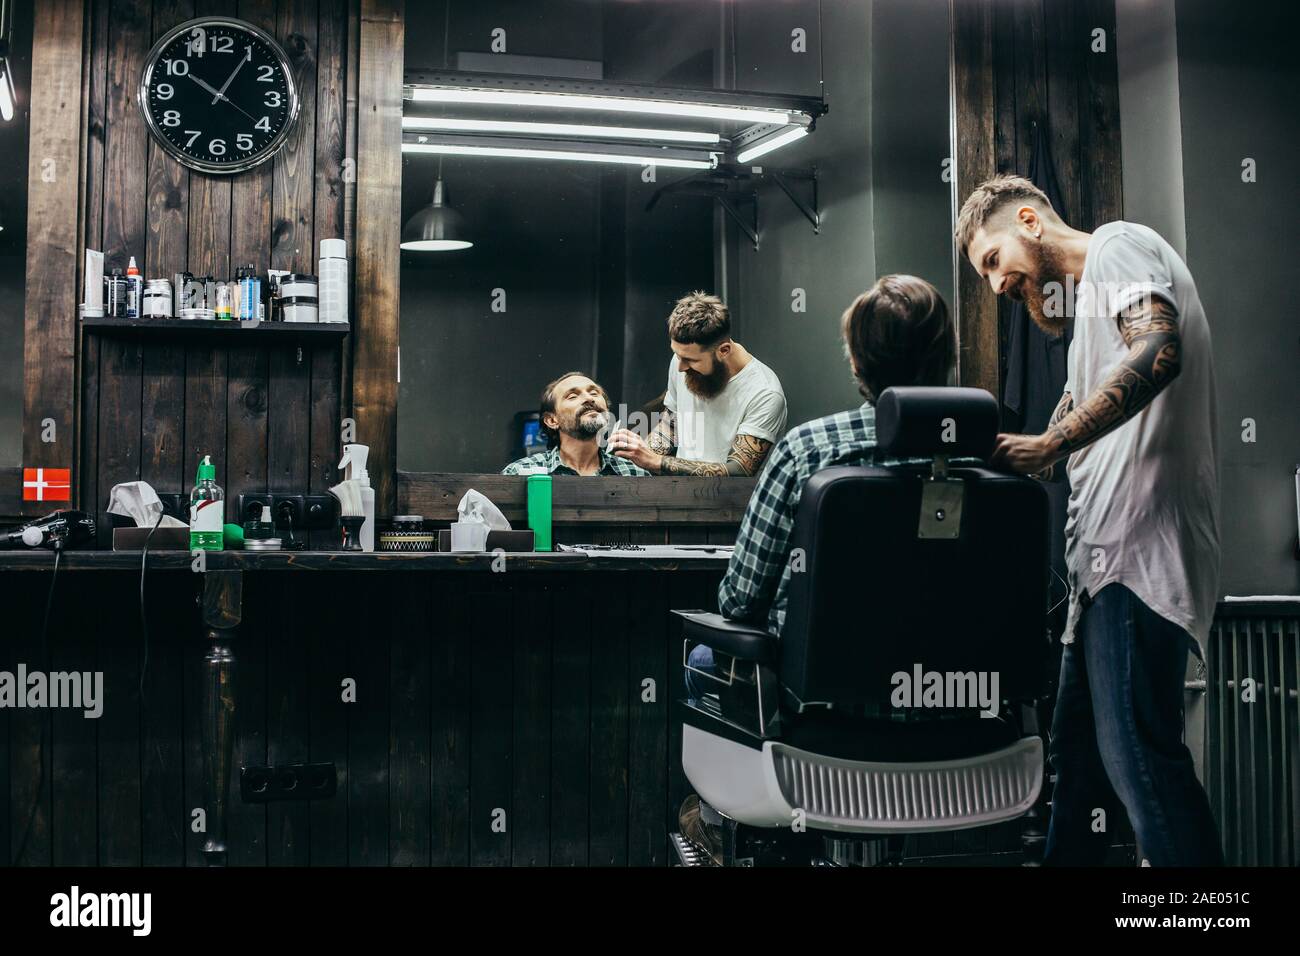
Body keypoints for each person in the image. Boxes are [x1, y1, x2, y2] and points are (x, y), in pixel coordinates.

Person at [955, 174, 1222, 866]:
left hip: (1136, 561)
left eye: (993, 260)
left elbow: (1159, 349)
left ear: (1029, 221)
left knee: (1144, 766)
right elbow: (1089, 402)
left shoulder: (1117, 249)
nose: (996, 286)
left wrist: (1053, 444)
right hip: (1099, 576)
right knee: (1076, 776)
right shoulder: (1088, 320)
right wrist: (1041, 449)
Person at [678, 275, 955, 862]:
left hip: (821, 725)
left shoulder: (809, 451)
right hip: (960, 727)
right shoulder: (992, 453)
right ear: (948, 353)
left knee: (707, 655)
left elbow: (740, 600)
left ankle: (722, 827)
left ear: (857, 361)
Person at [609, 292, 786, 476]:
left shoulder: (765, 393)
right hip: (685, 494)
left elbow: (739, 471)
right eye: (677, 355)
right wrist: (639, 458)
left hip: (736, 502)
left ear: (723, 350)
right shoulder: (682, 361)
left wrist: (657, 462)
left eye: (690, 360)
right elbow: (672, 424)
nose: (680, 367)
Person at [502, 372, 649, 476]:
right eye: (572, 396)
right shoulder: (519, 472)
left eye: (594, 393)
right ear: (552, 420)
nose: (589, 399)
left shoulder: (632, 473)